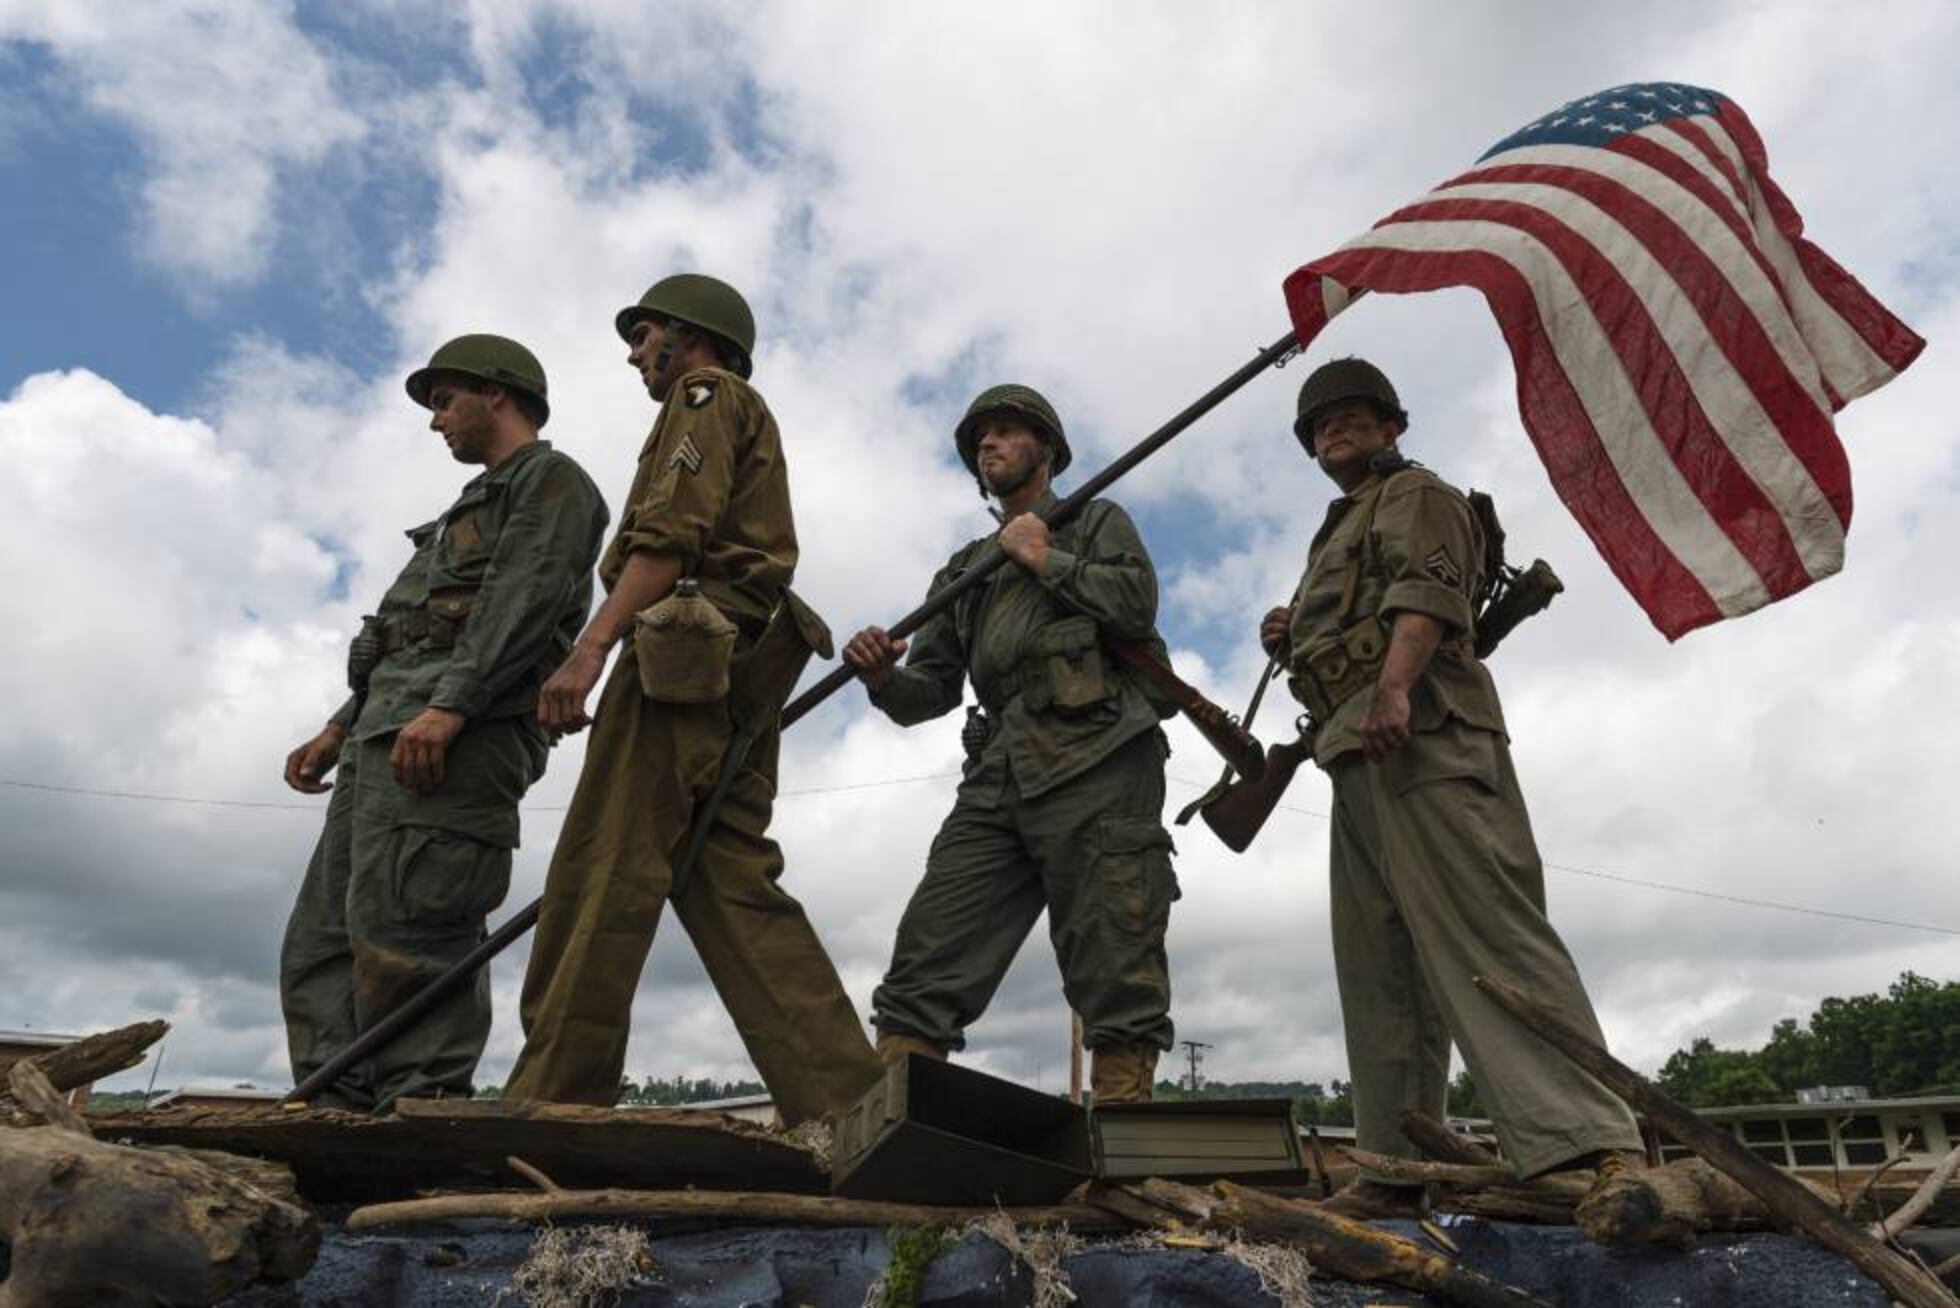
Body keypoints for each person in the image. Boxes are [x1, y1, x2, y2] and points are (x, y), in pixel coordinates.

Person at [1263, 357, 1642, 1215]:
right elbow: (1359, 615)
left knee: (1488, 928)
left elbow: (1428, 593)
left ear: (1393, 425)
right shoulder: (1341, 524)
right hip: (1351, 745)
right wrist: (1295, 634)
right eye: (1322, 423)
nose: (1336, 429)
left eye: (1355, 415)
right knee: (1380, 968)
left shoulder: (1419, 494)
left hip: (1422, 729)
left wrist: (1396, 683)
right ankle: (1397, 1168)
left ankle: (1588, 1143)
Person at [502, 274, 880, 1123]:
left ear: (688, 337)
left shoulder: (705, 396)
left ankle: (553, 1112)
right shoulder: (735, 406)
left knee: (605, 866)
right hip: (741, 670)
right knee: (728, 878)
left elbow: (672, 537)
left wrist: (592, 648)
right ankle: (855, 1112)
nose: (636, 354)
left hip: (681, 659)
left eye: (644, 336)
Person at [280, 334, 609, 1111]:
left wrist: (452, 705)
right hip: (385, 735)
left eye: (444, 401)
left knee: (414, 927)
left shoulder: (551, 483)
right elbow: (410, 630)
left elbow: (522, 601)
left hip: (461, 735)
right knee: (325, 936)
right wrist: (338, 725)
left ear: (495, 393)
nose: (437, 422)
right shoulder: (465, 508)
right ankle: (333, 1108)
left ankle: (415, 1113)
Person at [843, 385, 1178, 1104]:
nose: (988, 445)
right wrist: (880, 678)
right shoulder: (967, 570)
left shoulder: (1094, 522)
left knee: (1116, 959)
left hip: (1099, 761)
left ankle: (1123, 1139)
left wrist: (1042, 558)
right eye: (980, 439)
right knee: (928, 957)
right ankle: (896, 1135)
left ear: (1046, 449)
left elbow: (1135, 603)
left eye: (1004, 433)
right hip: (1000, 777)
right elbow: (928, 692)